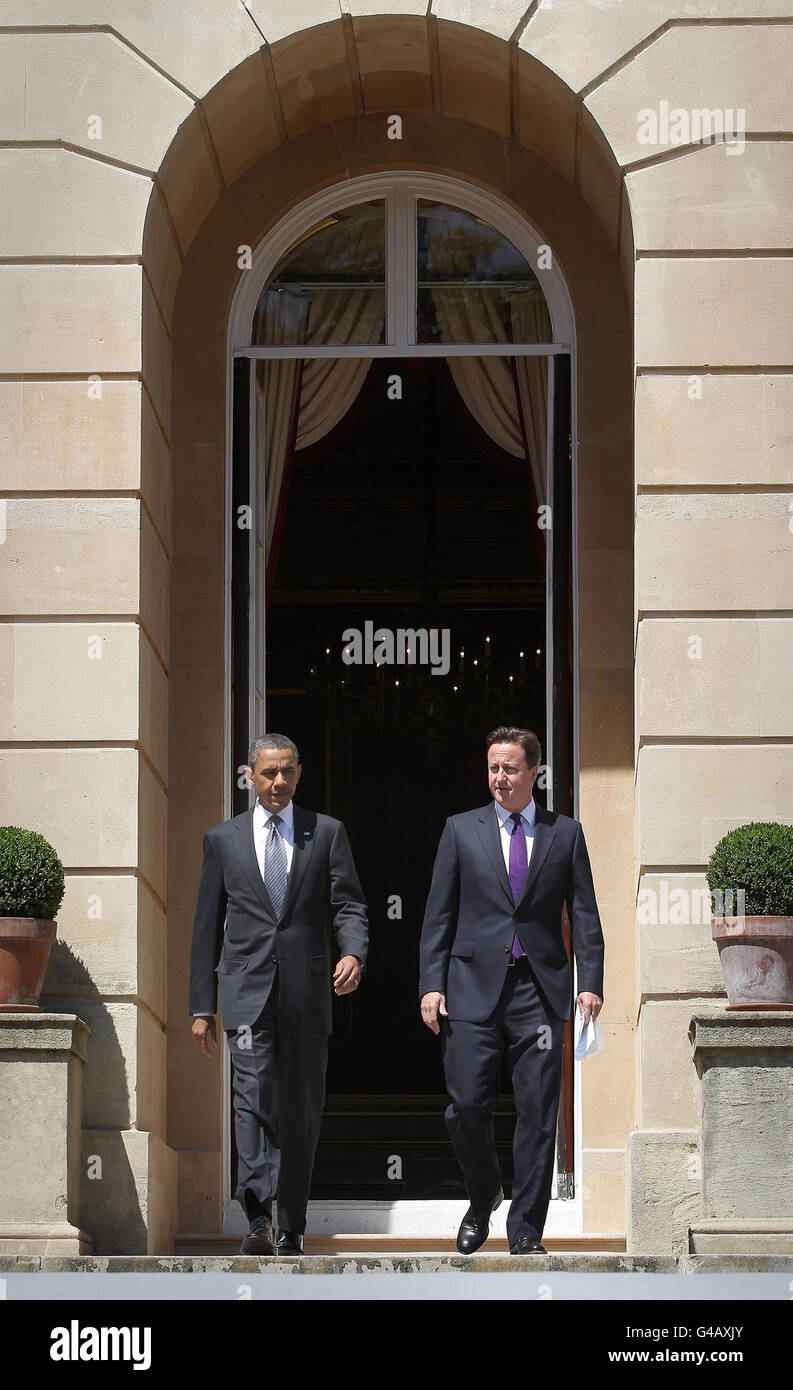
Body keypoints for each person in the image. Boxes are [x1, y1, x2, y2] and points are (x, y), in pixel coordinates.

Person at [419, 725, 604, 1255]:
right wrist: (431, 984)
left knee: (538, 1114)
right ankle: (483, 1195)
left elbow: (586, 914)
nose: (500, 778)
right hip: (471, 990)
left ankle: (525, 1230)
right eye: (494, 768)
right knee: (467, 1105)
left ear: (534, 772)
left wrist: (588, 982)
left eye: (512, 768)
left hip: (539, 991)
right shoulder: (460, 829)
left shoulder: (564, 834)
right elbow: (439, 915)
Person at [189, 734, 368, 1256]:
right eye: (268, 773)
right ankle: (259, 1220)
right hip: (245, 993)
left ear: (299, 772)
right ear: (250, 775)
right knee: (252, 1101)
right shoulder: (221, 840)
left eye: (287, 772)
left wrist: (353, 952)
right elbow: (205, 927)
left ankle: (292, 1224)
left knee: (301, 1111)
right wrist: (203, 1006)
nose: (278, 782)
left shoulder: (327, 834)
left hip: (307, 995)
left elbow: (349, 905)